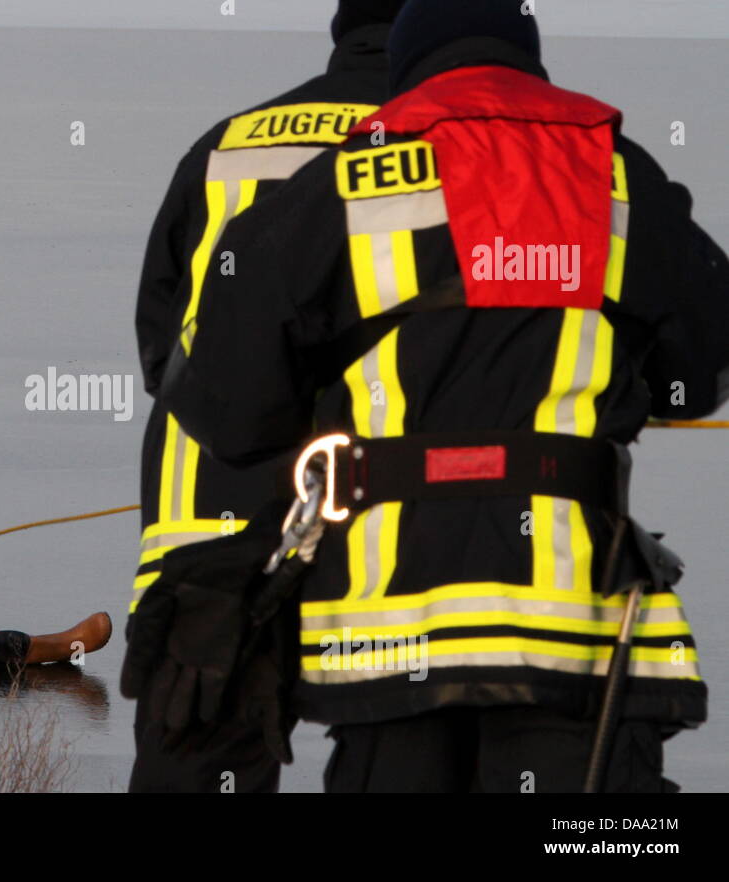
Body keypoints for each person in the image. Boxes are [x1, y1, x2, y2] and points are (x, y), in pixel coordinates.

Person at [157, 0, 729, 792]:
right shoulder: (619, 173)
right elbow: (701, 374)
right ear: (529, 61)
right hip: (577, 633)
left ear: (405, 71)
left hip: (392, 641)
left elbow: (226, 402)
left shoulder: (346, 182)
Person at [126, 0, 406, 793]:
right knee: (403, 745)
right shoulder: (443, 149)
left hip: (205, 506)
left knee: (198, 747)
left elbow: (160, 340)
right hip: (385, 514)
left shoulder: (228, 142)